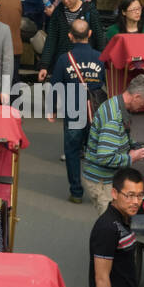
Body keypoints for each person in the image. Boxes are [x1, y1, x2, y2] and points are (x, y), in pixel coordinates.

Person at [82, 74, 144, 214]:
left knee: (118, 222)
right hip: (102, 181)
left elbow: (123, 139)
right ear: (136, 97)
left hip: (107, 179)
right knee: (112, 227)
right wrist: (131, 158)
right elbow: (104, 157)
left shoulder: (118, 106)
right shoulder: (113, 118)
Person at [45, 19, 105, 204]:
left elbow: (55, 86)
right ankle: (99, 190)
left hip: (73, 109)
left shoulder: (64, 59)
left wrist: (53, 109)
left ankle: (76, 192)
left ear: (70, 36)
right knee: (96, 151)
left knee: (72, 151)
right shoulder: (100, 58)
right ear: (90, 34)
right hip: (96, 110)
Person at [37, 0, 104, 80]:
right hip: (63, 62)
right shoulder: (58, 12)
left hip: (86, 65)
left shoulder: (90, 11)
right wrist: (44, 65)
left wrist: (103, 62)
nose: (65, 1)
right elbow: (51, 39)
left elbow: (99, 37)